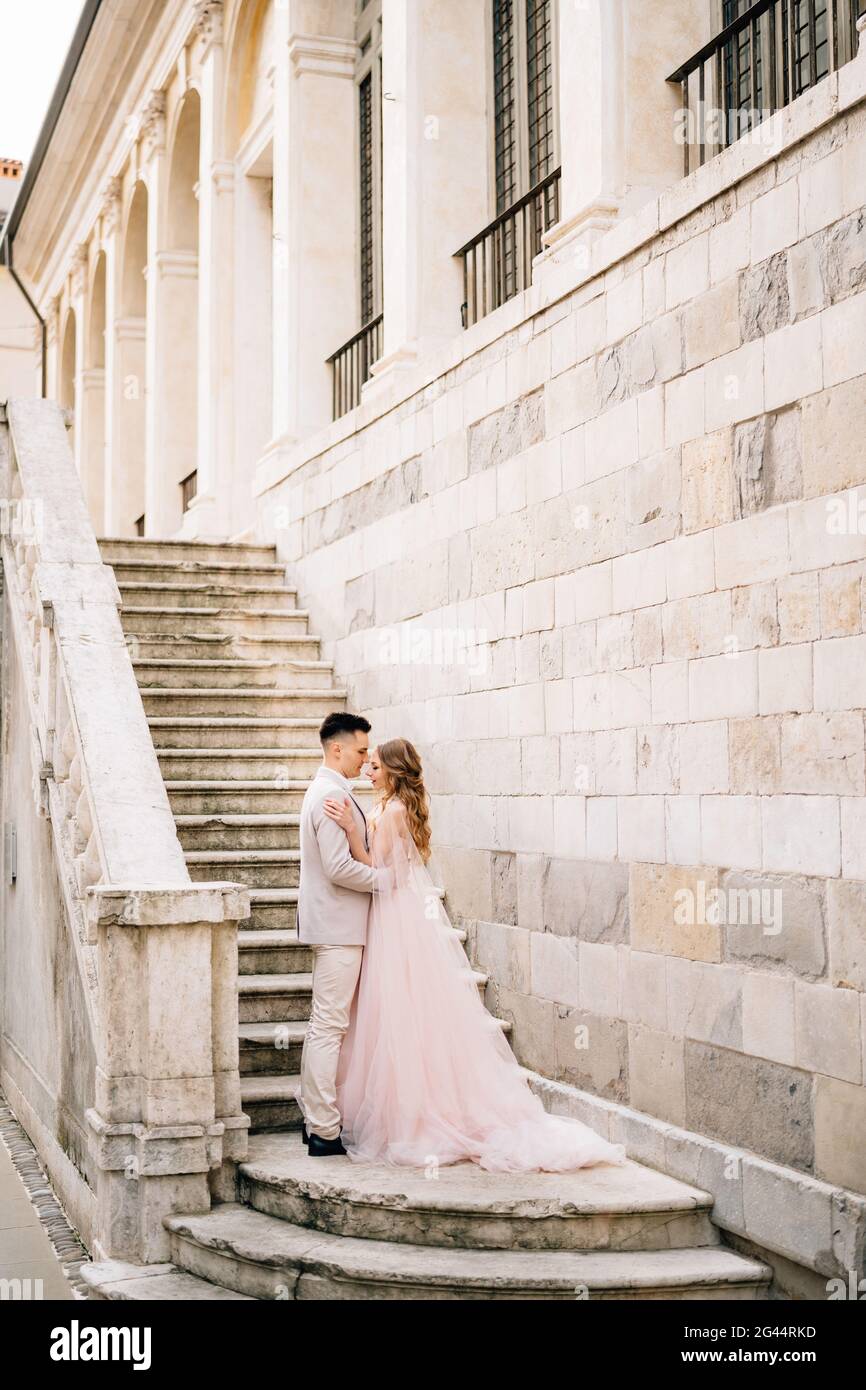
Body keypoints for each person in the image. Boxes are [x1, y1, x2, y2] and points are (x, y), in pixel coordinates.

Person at [322, 738, 628, 1173]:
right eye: (365, 763)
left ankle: (416, 1114)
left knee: (399, 1005)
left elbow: (378, 870)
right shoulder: (390, 806)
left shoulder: (390, 812)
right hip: (397, 911)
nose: (368, 771)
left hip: (395, 912)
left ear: (392, 770)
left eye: (374, 765)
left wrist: (352, 833)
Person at [296, 711, 380, 1156]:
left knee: (327, 1026)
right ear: (338, 749)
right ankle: (323, 1129)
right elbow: (339, 867)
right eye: (361, 750)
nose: (365, 760)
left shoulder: (331, 791)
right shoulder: (331, 795)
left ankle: (318, 1118)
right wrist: (389, 883)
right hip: (338, 928)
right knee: (328, 1027)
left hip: (337, 925)